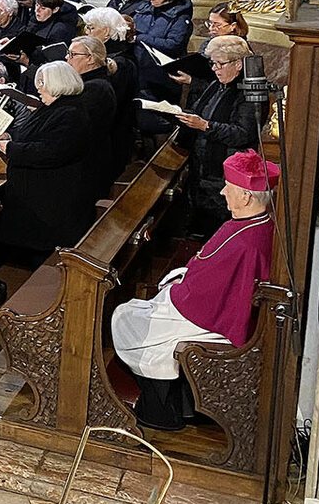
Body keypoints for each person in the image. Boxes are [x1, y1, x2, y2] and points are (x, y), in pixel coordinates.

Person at [112, 151, 276, 430]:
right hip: (202, 304)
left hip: (208, 318)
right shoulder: (256, 223)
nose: (223, 192)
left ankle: (163, 408)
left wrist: (177, 289)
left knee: (125, 318)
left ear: (247, 196)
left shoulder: (247, 244)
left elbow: (209, 298)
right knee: (141, 309)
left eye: (229, 187)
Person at [0, 61, 95, 257]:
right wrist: (11, 135)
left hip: (49, 200)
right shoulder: (54, 106)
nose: (38, 88)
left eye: (42, 82)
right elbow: (33, 133)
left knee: (40, 253)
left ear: (57, 84)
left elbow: (51, 152)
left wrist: (11, 148)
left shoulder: (71, 113)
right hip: (34, 195)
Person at [170, 35, 260, 234]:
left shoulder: (249, 92)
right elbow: (200, 109)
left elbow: (243, 134)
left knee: (216, 227)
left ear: (238, 64)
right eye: (213, 63)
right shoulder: (218, 83)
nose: (214, 69)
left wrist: (205, 126)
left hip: (221, 175)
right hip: (201, 169)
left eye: (219, 64)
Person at [66, 35, 134, 197]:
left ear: (90, 59)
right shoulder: (88, 83)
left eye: (72, 55)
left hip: (89, 165)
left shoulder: (96, 88)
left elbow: (77, 125)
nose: (67, 58)